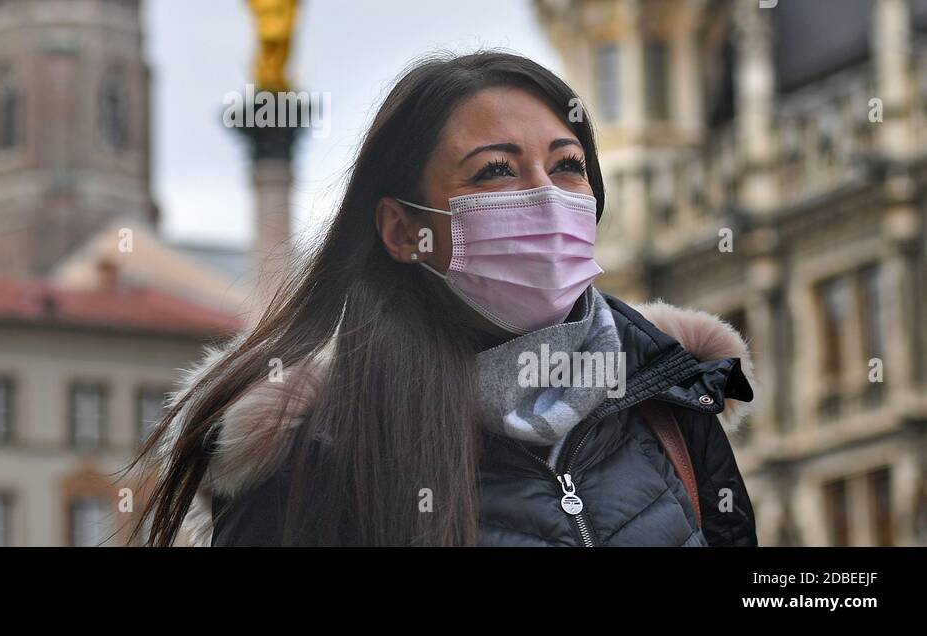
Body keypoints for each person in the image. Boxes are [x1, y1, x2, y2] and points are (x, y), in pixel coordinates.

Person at [135, 50, 757, 546]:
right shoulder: (315, 455)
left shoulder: (670, 395)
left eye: (567, 164)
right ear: (405, 232)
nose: (544, 196)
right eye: (495, 171)